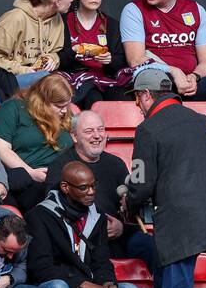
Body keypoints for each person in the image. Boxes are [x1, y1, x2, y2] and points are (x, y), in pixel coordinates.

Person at [124, 66, 206, 288]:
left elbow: (140, 182)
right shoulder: (198, 121)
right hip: (205, 214)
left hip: (176, 222)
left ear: (147, 94)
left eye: (136, 97)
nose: (137, 105)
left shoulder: (147, 129)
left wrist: (129, 203)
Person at [25, 161, 141, 288]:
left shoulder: (98, 217)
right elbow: (41, 268)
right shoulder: (39, 216)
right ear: (65, 187)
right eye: (84, 188)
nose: (91, 192)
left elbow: (101, 261)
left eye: (94, 186)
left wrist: (108, 283)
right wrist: (84, 285)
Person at [50, 110, 156, 272]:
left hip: (116, 237)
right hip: (79, 239)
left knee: (151, 246)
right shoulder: (60, 166)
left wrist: (121, 226)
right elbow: (54, 212)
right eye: (89, 131)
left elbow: (129, 209)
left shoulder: (116, 164)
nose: (97, 136)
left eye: (100, 129)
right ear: (74, 136)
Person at [0, 73, 74, 211]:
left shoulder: (65, 115)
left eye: (67, 105)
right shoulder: (13, 108)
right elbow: (1, 149)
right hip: (26, 180)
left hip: (62, 178)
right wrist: (31, 172)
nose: (65, 111)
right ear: (42, 101)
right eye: (59, 106)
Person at [62, 0, 131, 106]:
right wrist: (74, 52)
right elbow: (58, 60)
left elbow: (122, 61)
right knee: (92, 97)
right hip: (75, 79)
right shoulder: (64, 22)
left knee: (123, 99)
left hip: (105, 79)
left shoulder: (111, 24)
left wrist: (109, 60)